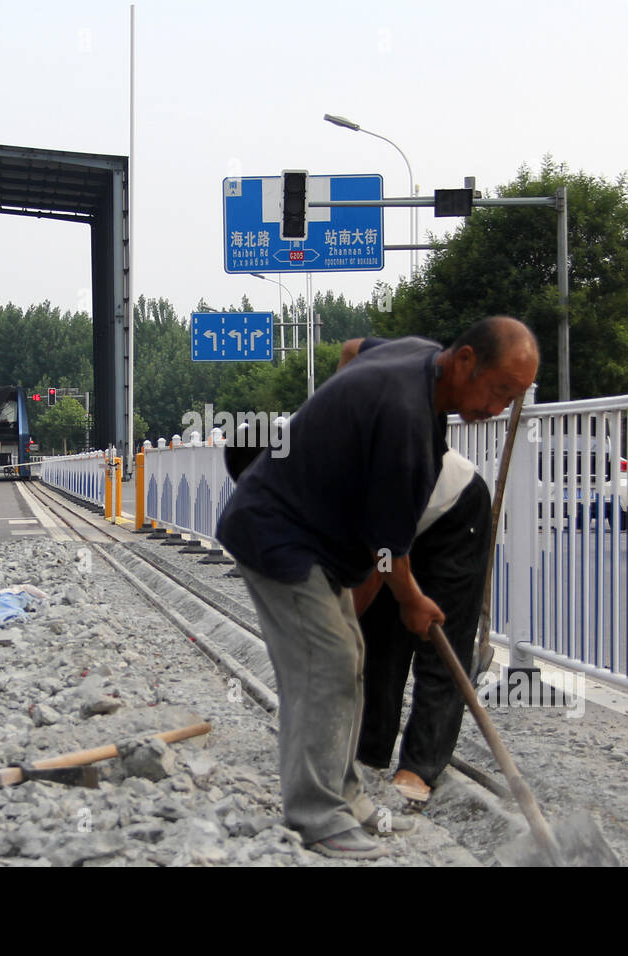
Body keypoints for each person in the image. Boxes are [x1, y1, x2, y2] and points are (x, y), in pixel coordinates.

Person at [216, 316, 538, 860]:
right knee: (329, 664)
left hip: (310, 536)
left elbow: (351, 348)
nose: (499, 408)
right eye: (499, 390)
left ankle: (345, 797)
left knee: (349, 655)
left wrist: (338, 421)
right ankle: (317, 816)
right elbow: (388, 550)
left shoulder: (417, 353)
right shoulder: (404, 422)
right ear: (463, 362)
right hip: (280, 540)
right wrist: (412, 600)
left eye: (513, 398)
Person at [338, 337, 494, 805]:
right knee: (377, 636)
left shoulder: (351, 462)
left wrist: (343, 624)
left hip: (454, 510)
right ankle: (368, 751)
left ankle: (419, 767)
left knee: (439, 636)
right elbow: (351, 349)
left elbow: (370, 569)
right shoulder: (323, 469)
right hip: (395, 520)